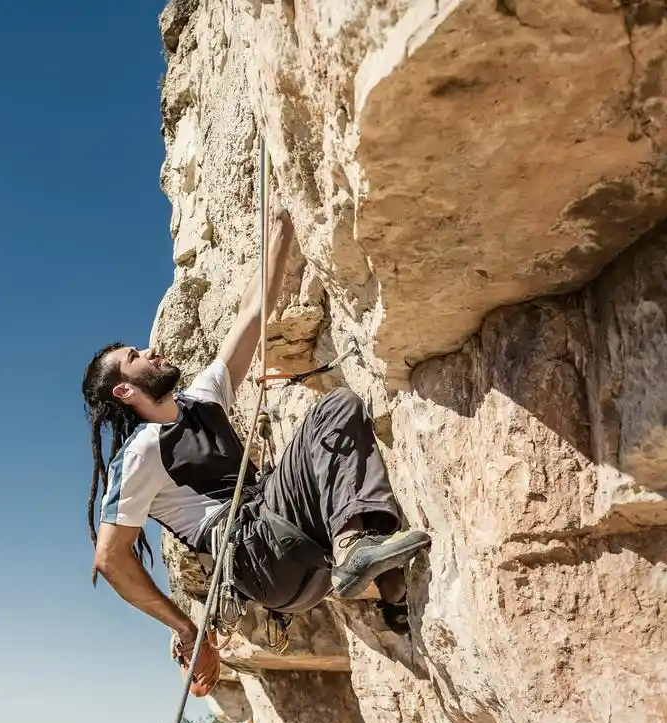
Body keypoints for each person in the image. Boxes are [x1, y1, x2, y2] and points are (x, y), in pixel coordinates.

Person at [80, 206, 431, 697]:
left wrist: (282, 230)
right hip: (256, 553)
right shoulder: (140, 454)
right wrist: (184, 628)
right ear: (124, 391)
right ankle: (355, 551)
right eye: (135, 358)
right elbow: (111, 559)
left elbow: (253, 312)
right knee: (334, 409)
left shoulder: (202, 397)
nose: (151, 352)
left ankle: (391, 591)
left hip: (293, 559)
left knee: (332, 441)